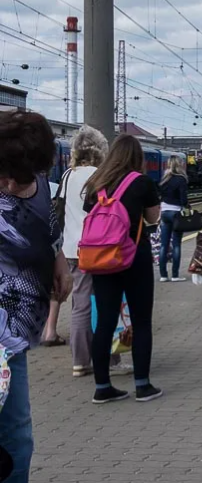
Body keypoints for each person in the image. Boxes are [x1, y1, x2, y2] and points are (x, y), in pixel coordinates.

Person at [0, 110, 74, 482]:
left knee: (17, 438)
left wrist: (59, 261)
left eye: (19, 178)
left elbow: (49, 228)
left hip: (13, 342)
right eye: (4, 176)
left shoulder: (43, 184)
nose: (10, 184)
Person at [83, 134, 162, 404]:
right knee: (141, 321)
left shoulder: (96, 184)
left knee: (105, 323)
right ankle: (142, 385)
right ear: (137, 157)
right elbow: (153, 218)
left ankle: (102, 386)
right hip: (133, 257)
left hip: (101, 258)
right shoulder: (142, 182)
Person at [54, 125, 132, 379]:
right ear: (101, 151)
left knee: (80, 305)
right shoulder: (102, 176)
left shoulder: (67, 176)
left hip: (71, 250)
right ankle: (110, 358)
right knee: (106, 303)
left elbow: (59, 211)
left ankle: (79, 361)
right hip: (99, 248)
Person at [158, 156, 189, 283]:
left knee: (164, 245)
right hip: (176, 213)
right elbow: (183, 200)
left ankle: (163, 275)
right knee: (176, 244)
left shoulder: (164, 180)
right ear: (179, 165)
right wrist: (186, 205)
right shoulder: (181, 179)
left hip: (164, 212)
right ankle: (175, 275)